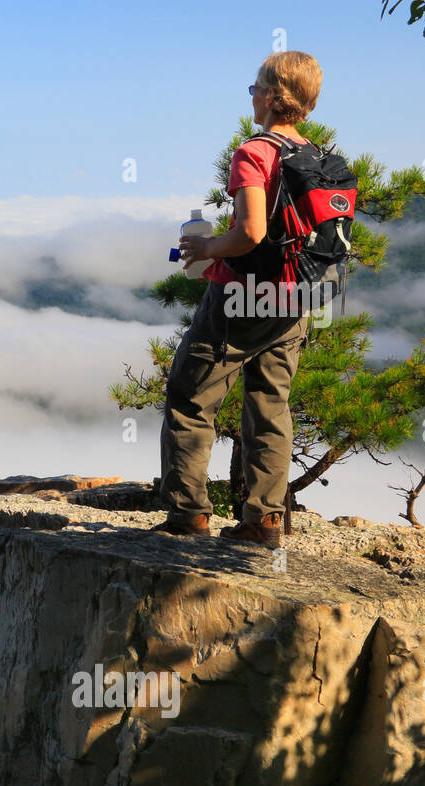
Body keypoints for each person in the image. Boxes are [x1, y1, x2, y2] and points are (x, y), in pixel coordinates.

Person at [151, 51, 324, 550]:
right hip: (296, 297)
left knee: (190, 396)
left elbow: (250, 231)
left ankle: (188, 514)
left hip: (241, 297)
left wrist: (208, 248)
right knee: (271, 405)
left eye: (253, 89)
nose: (251, 97)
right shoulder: (318, 157)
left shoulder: (255, 152)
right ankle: (264, 521)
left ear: (273, 96)